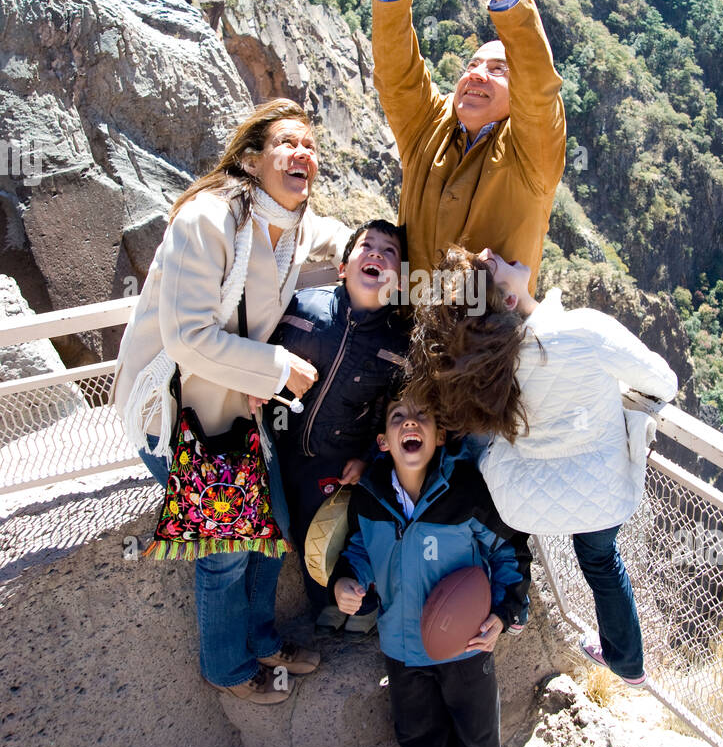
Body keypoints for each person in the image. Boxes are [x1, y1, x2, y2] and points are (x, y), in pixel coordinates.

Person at [113, 100, 351, 704]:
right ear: (250, 160)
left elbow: (343, 242)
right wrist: (279, 368)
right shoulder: (208, 221)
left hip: (235, 409)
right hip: (177, 413)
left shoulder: (293, 224)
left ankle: (262, 639)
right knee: (227, 550)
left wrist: (392, 262)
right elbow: (188, 339)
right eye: (288, 143)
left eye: (311, 146)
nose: (305, 155)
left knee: (274, 525)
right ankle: (227, 668)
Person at [404, 247, 680, 686]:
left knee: (493, 478)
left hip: (526, 505)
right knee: (600, 558)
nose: (491, 251)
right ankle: (627, 665)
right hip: (603, 495)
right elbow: (664, 382)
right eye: (490, 264)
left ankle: (511, 609)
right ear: (509, 301)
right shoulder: (585, 329)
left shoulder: (486, 368)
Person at [330, 395, 531, 747]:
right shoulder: (369, 497)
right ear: (384, 442)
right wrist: (347, 581)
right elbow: (359, 550)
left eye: (422, 416)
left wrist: (504, 611)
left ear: (440, 436)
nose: (410, 423)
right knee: (415, 726)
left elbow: (509, 549)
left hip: (466, 639)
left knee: (476, 718)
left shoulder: (465, 491)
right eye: (398, 417)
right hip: (401, 644)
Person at [371, 0, 566, 293]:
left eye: (498, 70)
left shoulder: (532, 153)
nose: (477, 73)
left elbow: (536, 77)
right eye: (473, 65)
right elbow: (396, 73)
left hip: (485, 351)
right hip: (408, 341)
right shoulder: (430, 128)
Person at [262, 219, 410, 634]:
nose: (377, 254)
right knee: (285, 528)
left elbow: (391, 413)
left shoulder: (399, 344)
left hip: (337, 458)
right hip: (277, 445)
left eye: (390, 252)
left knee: (326, 533)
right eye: (367, 246)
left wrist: (367, 459)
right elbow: (261, 351)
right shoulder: (303, 306)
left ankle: (350, 608)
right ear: (343, 267)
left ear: (398, 281)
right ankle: (322, 608)